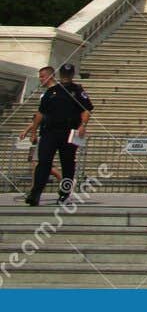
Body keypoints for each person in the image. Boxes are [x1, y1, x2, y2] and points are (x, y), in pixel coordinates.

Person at [19, 63, 92, 207]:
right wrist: (33, 131)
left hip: (69, 132)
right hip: (50, 132)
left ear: (71, 75)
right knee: (43, 163)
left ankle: (64, 194)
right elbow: (40, 113)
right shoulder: (51, 91)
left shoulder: (77, 91)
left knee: (68, 165)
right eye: (64, 74)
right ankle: (35, 194)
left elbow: (86, 109)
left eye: (68, 74)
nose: (66, 77)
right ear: (60, 75)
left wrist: (83, 125)